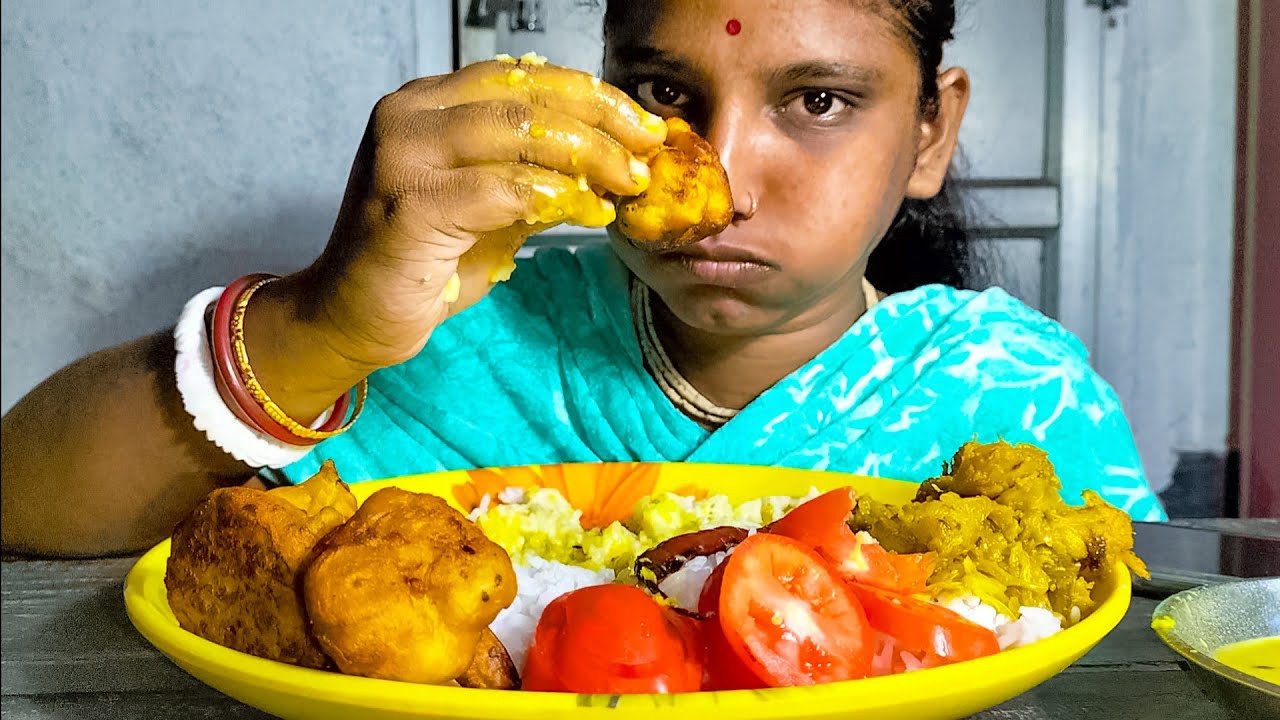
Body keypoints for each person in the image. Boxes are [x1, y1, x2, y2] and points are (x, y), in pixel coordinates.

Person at [0, 0, 1167, 558]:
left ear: (927, 132)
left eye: (816, 101)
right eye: (662, 96)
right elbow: (24, 513)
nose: (723, 183)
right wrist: (318, 325)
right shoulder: (453, 333)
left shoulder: (1012, 393)